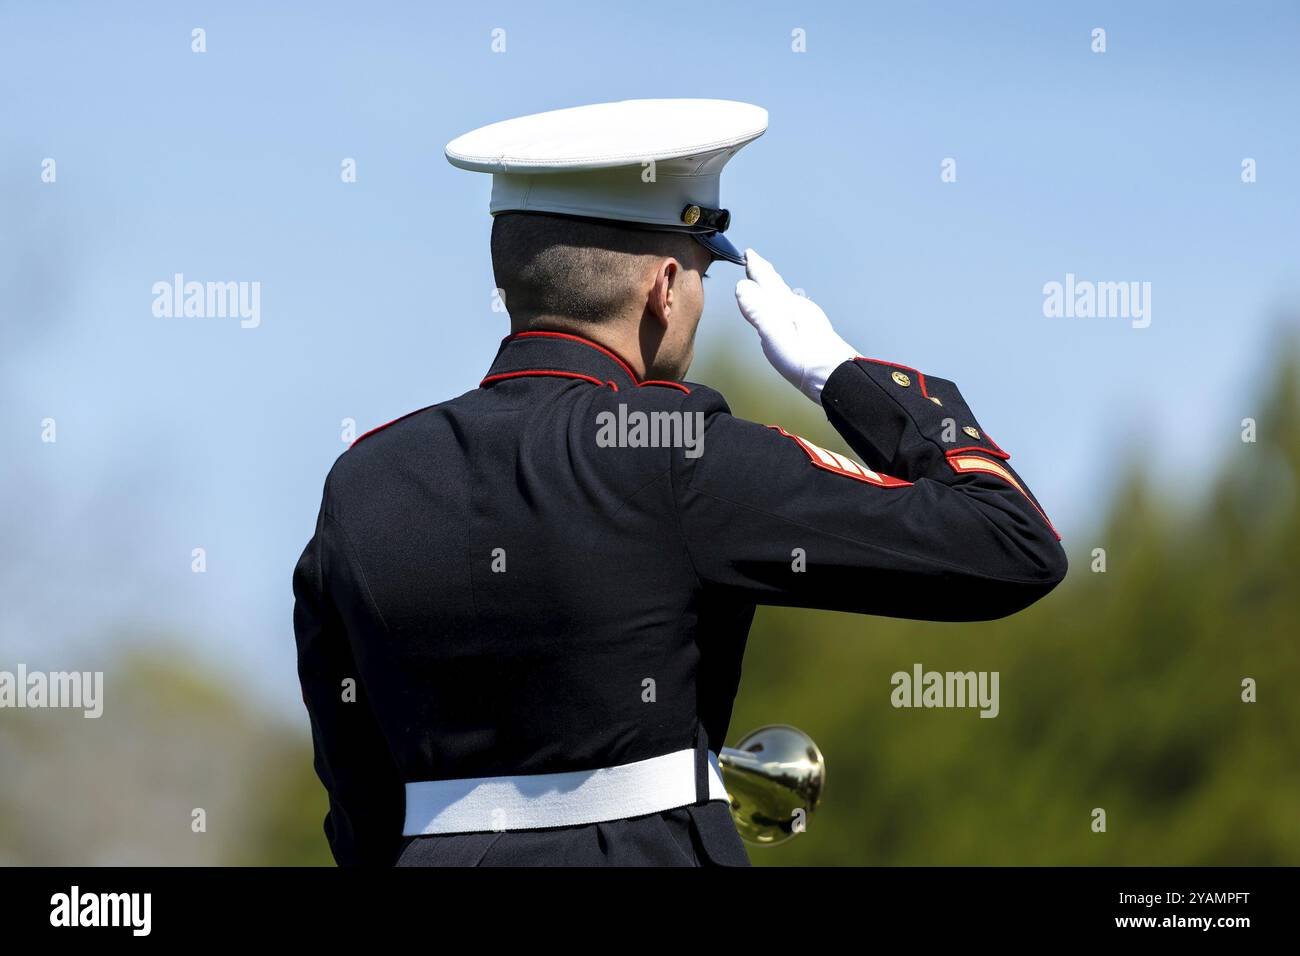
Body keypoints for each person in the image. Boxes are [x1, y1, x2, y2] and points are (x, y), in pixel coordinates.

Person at [293, 99, 1067, 867]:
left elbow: (355, 788)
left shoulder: (364, 480)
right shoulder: (676, 450)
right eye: (701, 271)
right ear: (665, 288)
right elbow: (1010, 543)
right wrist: (842, 374)